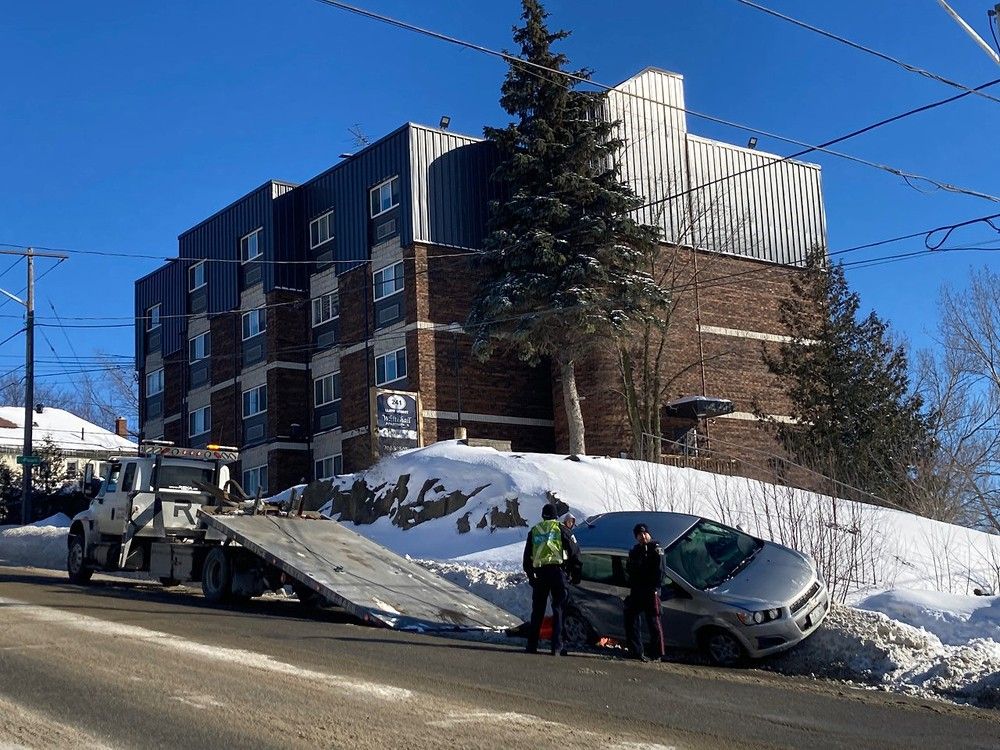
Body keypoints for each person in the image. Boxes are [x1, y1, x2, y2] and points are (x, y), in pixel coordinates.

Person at [523, 503, 582, 655]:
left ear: (543, 516)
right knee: (559, 610)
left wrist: (531, 576)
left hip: (540, 574)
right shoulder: (562, 529)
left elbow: (527, 558)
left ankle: (532, 645)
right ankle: (557, 646)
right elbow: (574, 551)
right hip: (558, 573)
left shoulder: (535, 531)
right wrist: (575, 574)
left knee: (537, 611)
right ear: (556, 516)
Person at [623, 522, 666, 662]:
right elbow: (629, 570)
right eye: (639, 535)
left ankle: (657, 653)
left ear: (649, 534)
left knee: (653, 621)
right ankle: (636, 650)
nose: (642, 536)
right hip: (637, 590)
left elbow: (660, 570)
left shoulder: (656, 549)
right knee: (630, 618)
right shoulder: (635, 551)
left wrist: (655, 588)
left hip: (650, 591)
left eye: (644, 533)